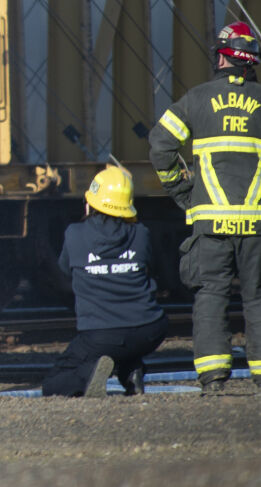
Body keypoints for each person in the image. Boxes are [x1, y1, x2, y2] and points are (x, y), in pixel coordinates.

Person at [148, 21, 261, 394]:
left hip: (210, 223)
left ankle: (213, 378)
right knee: (257, 297)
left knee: (211, 294)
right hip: (257, 225)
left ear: (222, 58)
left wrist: (184, 194)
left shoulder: (195, 99)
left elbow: (161, 144)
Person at [40, 164, 168, 397]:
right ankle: (131, 370)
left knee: (53, 384)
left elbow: (64, 272)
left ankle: (90, 375)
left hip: (102, 334)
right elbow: (154, 269)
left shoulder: (74, 234)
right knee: (124, 344)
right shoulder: (142, 233)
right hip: (151, 330)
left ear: (90, 203)